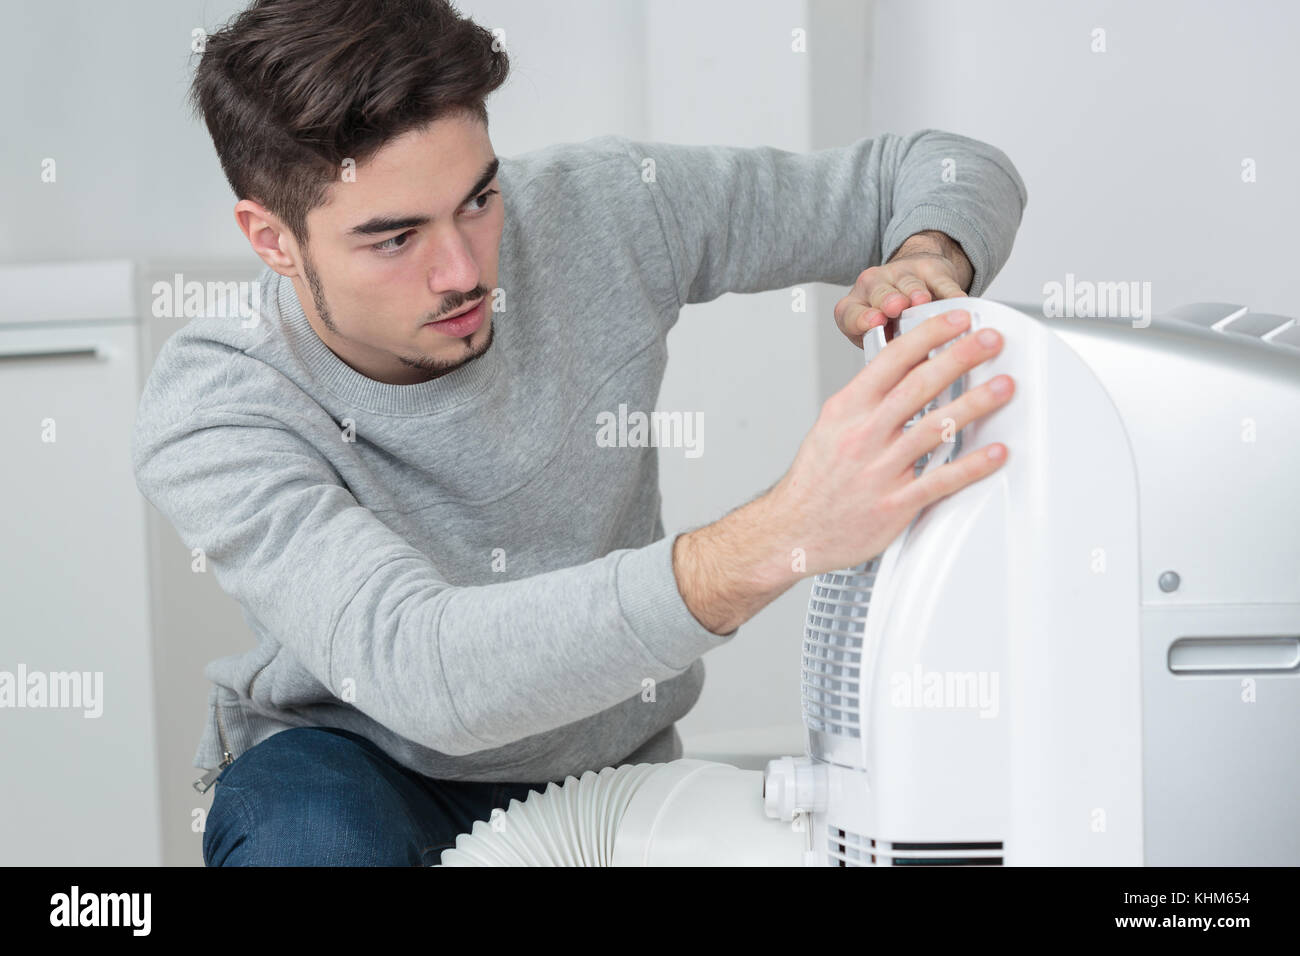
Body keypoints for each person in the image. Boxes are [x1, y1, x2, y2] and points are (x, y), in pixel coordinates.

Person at [132, 0, 1028, 865]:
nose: (462, 270)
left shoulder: (603, 206)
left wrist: (926, 255)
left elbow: (947, 166)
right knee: (312, 839)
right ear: (272, 238)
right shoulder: (218, 404)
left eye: (479, 200)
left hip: (602, 773)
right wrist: (784, 534)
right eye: (395, 238)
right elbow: (423, 671)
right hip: (353, 771)